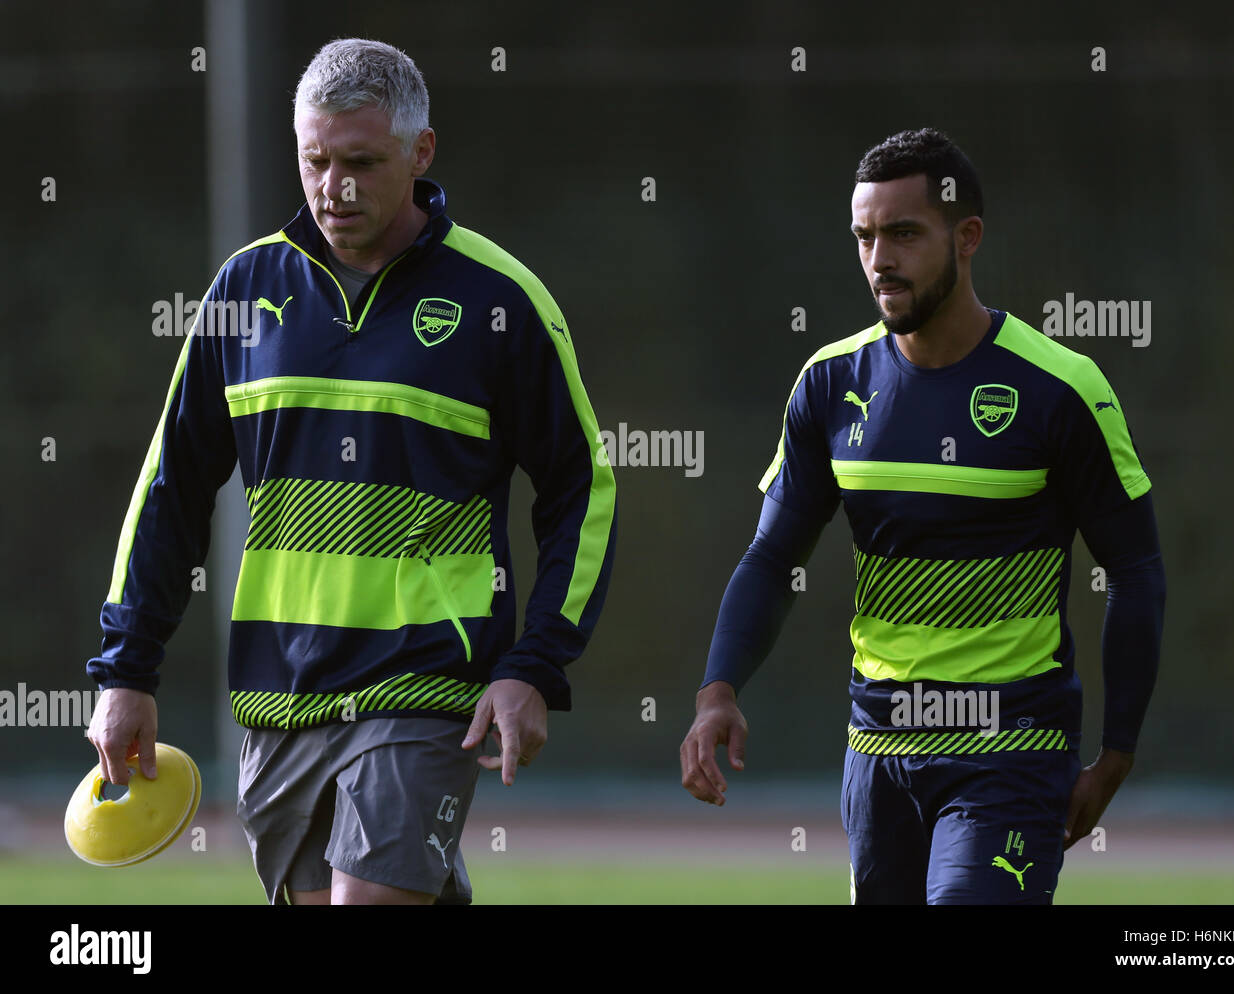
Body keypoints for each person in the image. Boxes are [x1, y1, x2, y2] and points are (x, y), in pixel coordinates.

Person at [85, 38, 617, 905]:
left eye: (362, 163)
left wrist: (534, 664)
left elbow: (580, 490)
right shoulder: (245, 290)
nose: (335, 188)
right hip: (279, 696)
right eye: (315, 161)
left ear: (421, 152)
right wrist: (125, 670)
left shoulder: (501, 301)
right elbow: (169, 489)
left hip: (424, 685)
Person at [679, 128, 1164, 904]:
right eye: (865, 236)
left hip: (1012, 745)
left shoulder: (1061, 388)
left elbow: (1135, 570)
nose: (879, 259)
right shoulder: (830, 383)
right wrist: (718, 690)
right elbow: (772, 556)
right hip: (878, 751)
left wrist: (1117, 753)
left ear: (966, 237)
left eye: (903, 234)